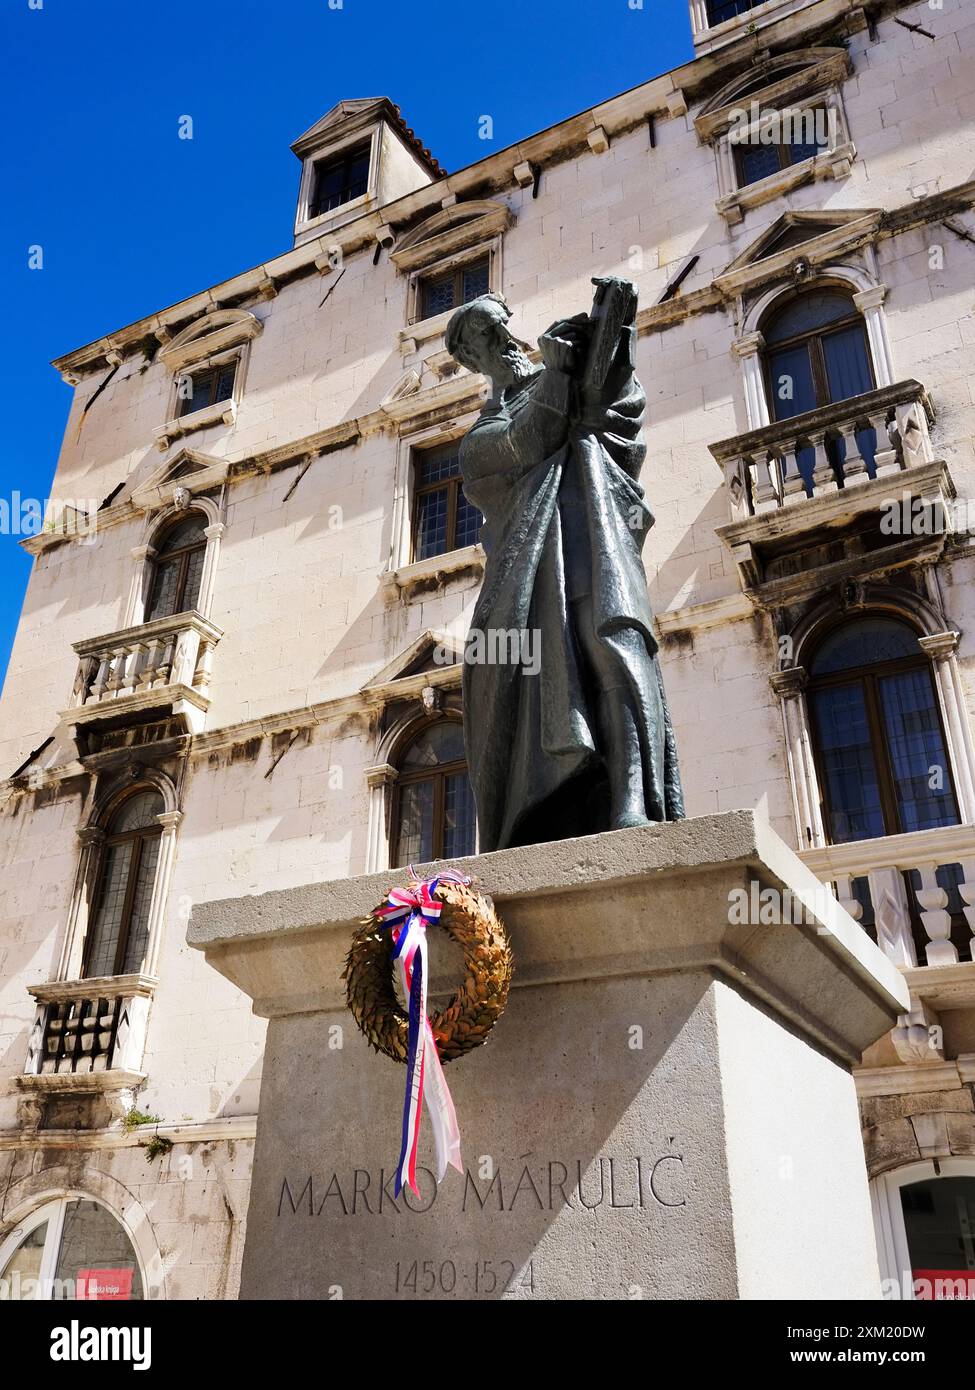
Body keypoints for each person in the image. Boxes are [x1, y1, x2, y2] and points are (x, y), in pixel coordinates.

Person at [445, 279, 684, 851]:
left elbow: (619, 409)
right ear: (471, 356)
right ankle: (556, 808)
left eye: (502, 322)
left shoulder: (562, 374)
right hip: (529, 575)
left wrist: (610, 334)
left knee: (615, 647)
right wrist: (558, 374)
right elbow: (529, 441)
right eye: (486, 332)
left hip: (593, 531)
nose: (504, 336)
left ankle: (633, 803)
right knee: (551, 673)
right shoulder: (480, 436)